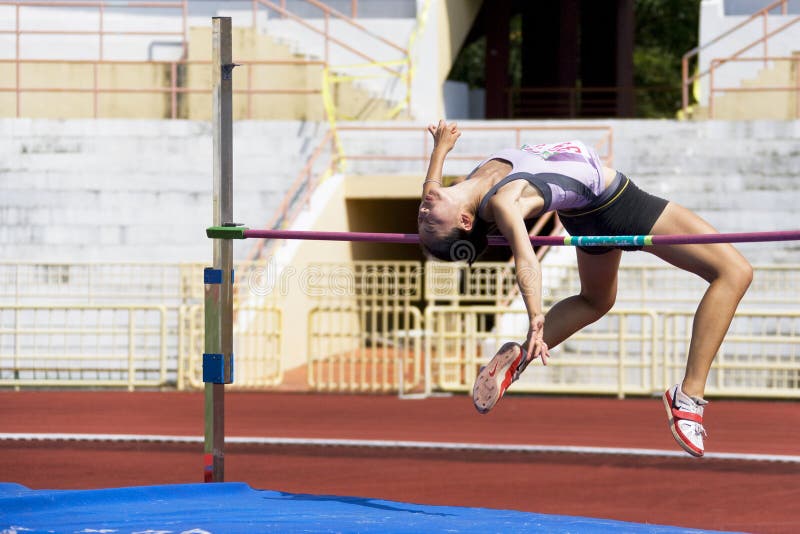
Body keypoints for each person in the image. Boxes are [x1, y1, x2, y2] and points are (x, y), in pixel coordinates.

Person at [417, 120, 752, 457]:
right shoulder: (504, 202)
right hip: (616, 204)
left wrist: (439, 150)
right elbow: (526, 259)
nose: (424, 211)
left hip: (582, 212)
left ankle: (519, 359)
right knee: (734, 272)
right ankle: (688, 397)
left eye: (422, 217)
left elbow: (429, 191)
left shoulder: (470, 184)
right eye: (430, 222)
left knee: (596, 300)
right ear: (465, 221)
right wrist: (535, 316)